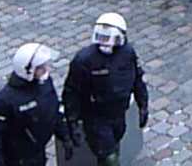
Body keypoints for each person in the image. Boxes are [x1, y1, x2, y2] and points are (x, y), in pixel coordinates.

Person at [63, 13, 149, 166]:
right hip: (96, 116)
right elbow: (71, 92)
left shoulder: (128, 53)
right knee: (109, 157)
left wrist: (143, 104)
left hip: (119, 112)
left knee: (114, 146)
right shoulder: (84, 60)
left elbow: (137, 79)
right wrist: (72, 121)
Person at [0, 43, 74, 166]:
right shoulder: (3, 102)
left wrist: (65, 136)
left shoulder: (44, 84)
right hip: (16, 160)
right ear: (28, 70)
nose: (46, 69)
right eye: (41, 67)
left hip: (37, 153)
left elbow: (53, 112)